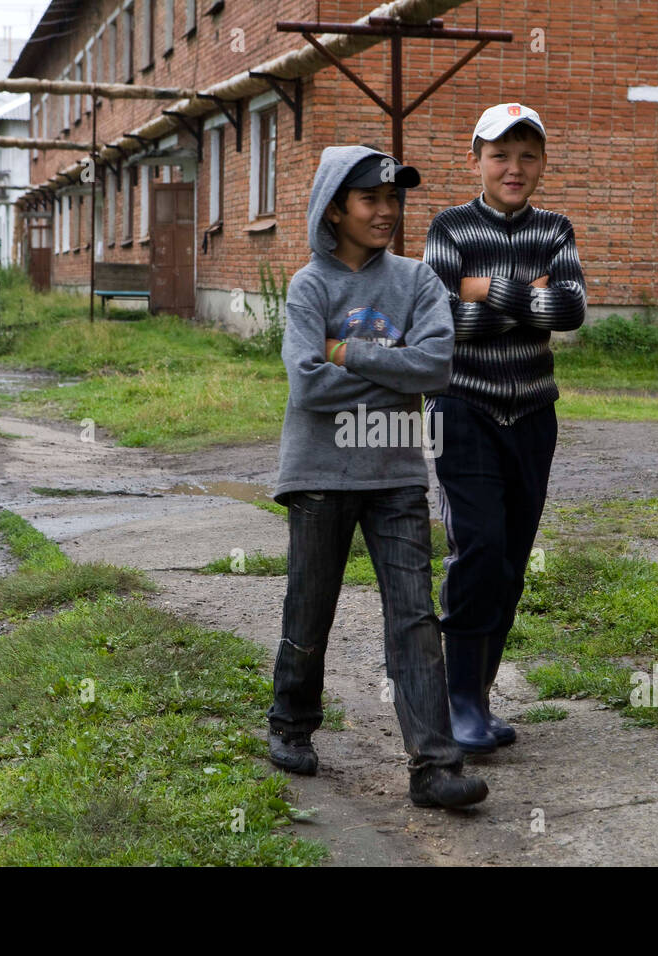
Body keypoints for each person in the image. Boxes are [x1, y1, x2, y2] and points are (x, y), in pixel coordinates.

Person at [266, 144, 489, 808]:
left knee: (415, 617)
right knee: (310, 608)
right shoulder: (310, 286)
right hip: (318, 471)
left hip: (394, 470)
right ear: (335, 210)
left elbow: (435, 369)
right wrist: (390, 363)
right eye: (372, 200)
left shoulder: (418, 281)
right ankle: (291, 722)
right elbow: (307, 384)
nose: (387, 212)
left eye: (395, 199)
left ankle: (434, 766)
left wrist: (351, 351)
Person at [423, 103, 588, 752]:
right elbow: (438, 324)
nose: (513, 168)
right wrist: (527, 298)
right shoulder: (450, 226)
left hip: (533, 417)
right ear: (476, 160)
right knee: (480, 547)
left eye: (527, 156)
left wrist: (485, 289)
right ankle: (457, 700)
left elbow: (569, 308)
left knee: (513, 562)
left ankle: (480, 698)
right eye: (500, 154)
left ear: (542, 163)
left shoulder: (555, 229)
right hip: (461, 409)